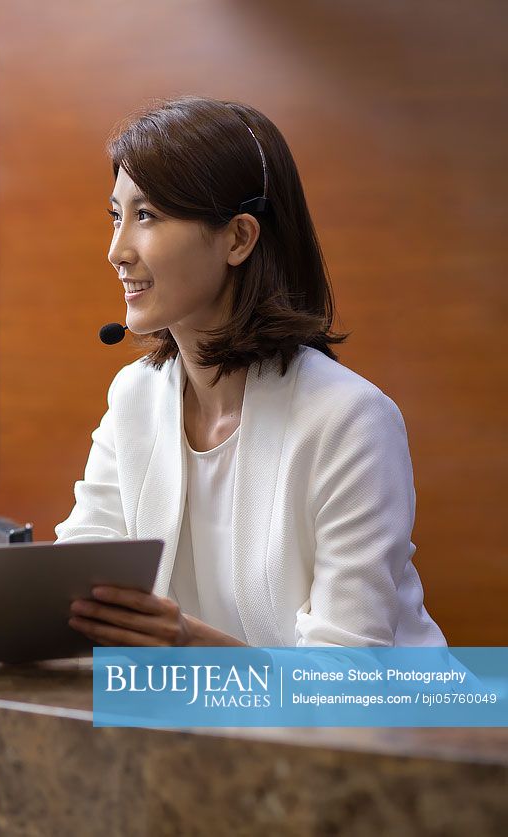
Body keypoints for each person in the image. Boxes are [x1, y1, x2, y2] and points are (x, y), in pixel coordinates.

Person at [57, 96, 444, 648]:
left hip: (392, 730)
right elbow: (81, 571)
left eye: (147, 216)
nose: (116, 251)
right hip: (223, 723)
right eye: (117, 215)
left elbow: (346, 679)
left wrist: (188, 643)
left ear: (239, 238)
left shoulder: (351, 421)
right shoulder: (134, 397)